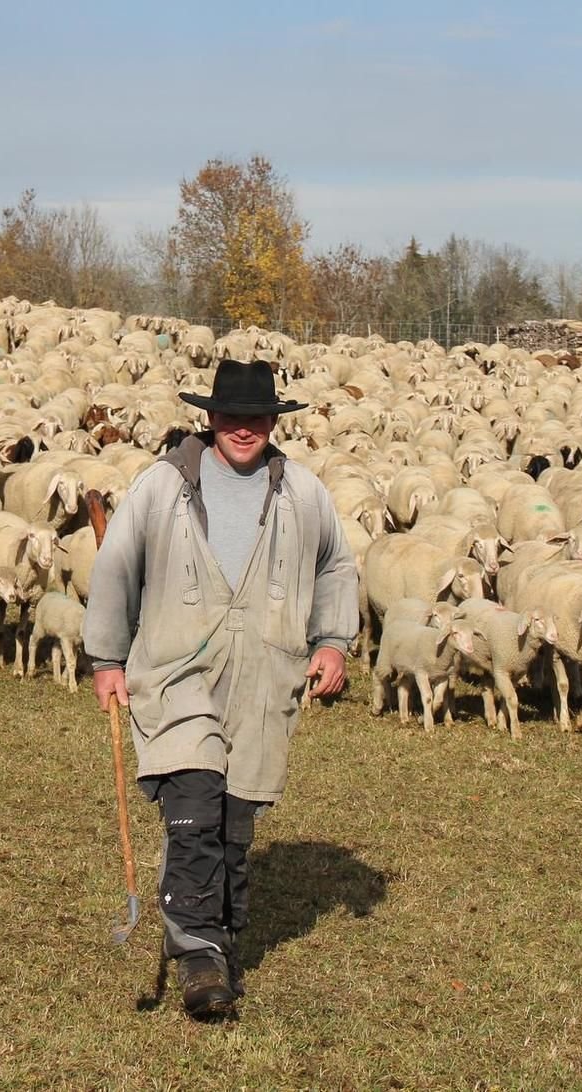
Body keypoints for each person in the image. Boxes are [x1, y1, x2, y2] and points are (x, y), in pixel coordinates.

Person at [83, 358, 359, 1021]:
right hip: (175, 670)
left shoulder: (302, 492)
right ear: (210, 418)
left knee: (234, 824)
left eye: (255, 418)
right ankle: (199, 958)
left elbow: (337, 564)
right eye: (231, 417)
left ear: (272, 422)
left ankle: (222, 941)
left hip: (264, 674)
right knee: (195, 807)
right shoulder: (162, 484)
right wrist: (106, 656)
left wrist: (331, 641)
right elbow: (116, 564)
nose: (243, 429)